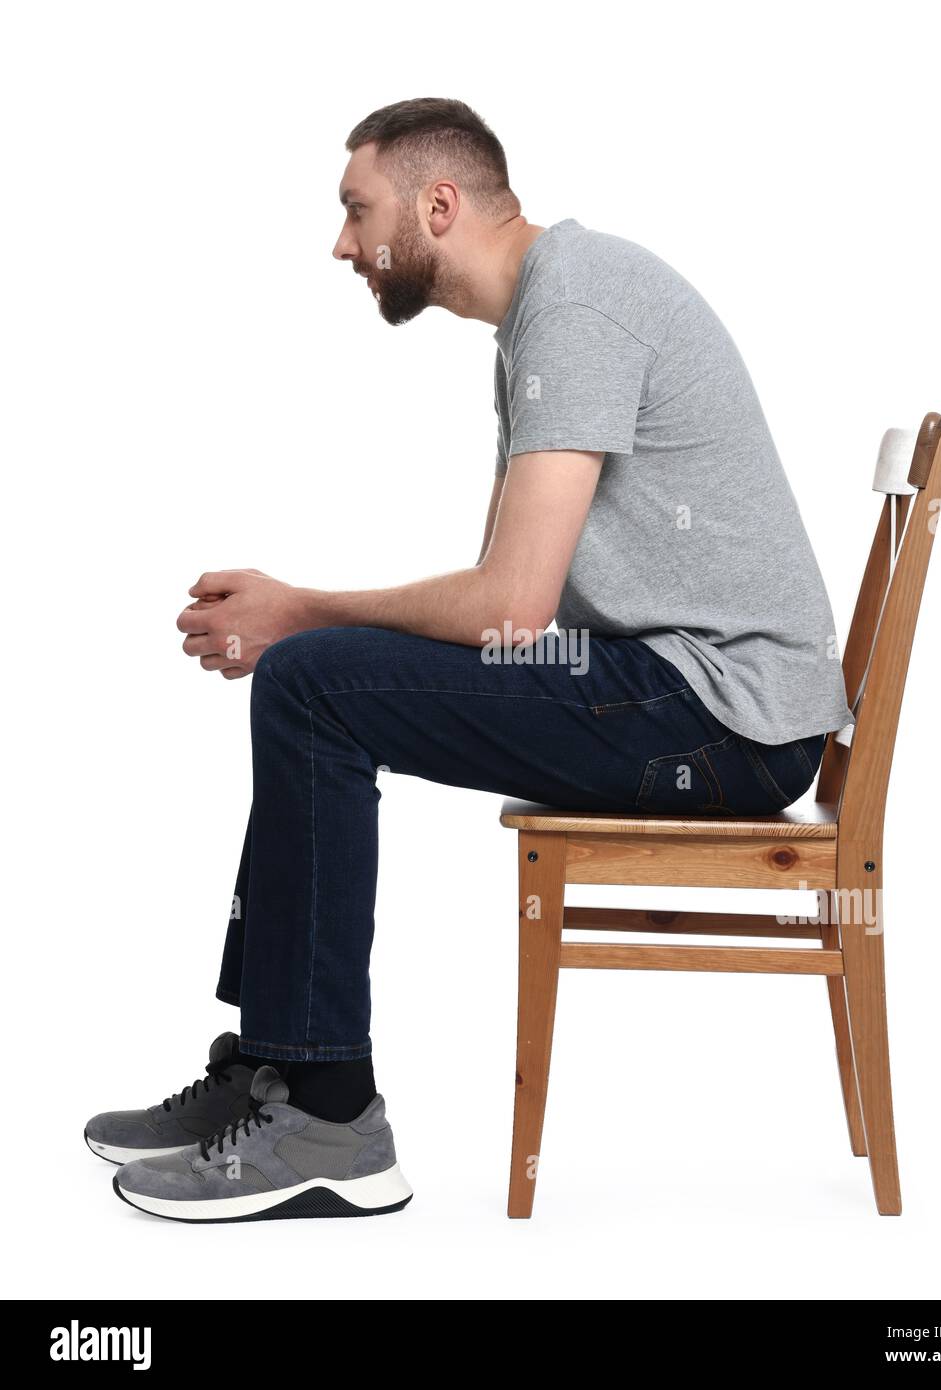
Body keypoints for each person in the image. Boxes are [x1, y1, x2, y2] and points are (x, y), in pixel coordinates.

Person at [87, 97, 853, 1223]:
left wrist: (300, 614)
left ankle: (327, 1112)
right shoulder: (545, 314)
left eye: (357, 209)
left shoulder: (577, 304)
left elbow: (508, 604)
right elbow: (504, 609)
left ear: (436, 204)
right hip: (690, 694)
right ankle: (278, 1067)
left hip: (720, 719)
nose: (341, 243)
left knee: (312, 685)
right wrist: (317, 624)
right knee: (321, 678)